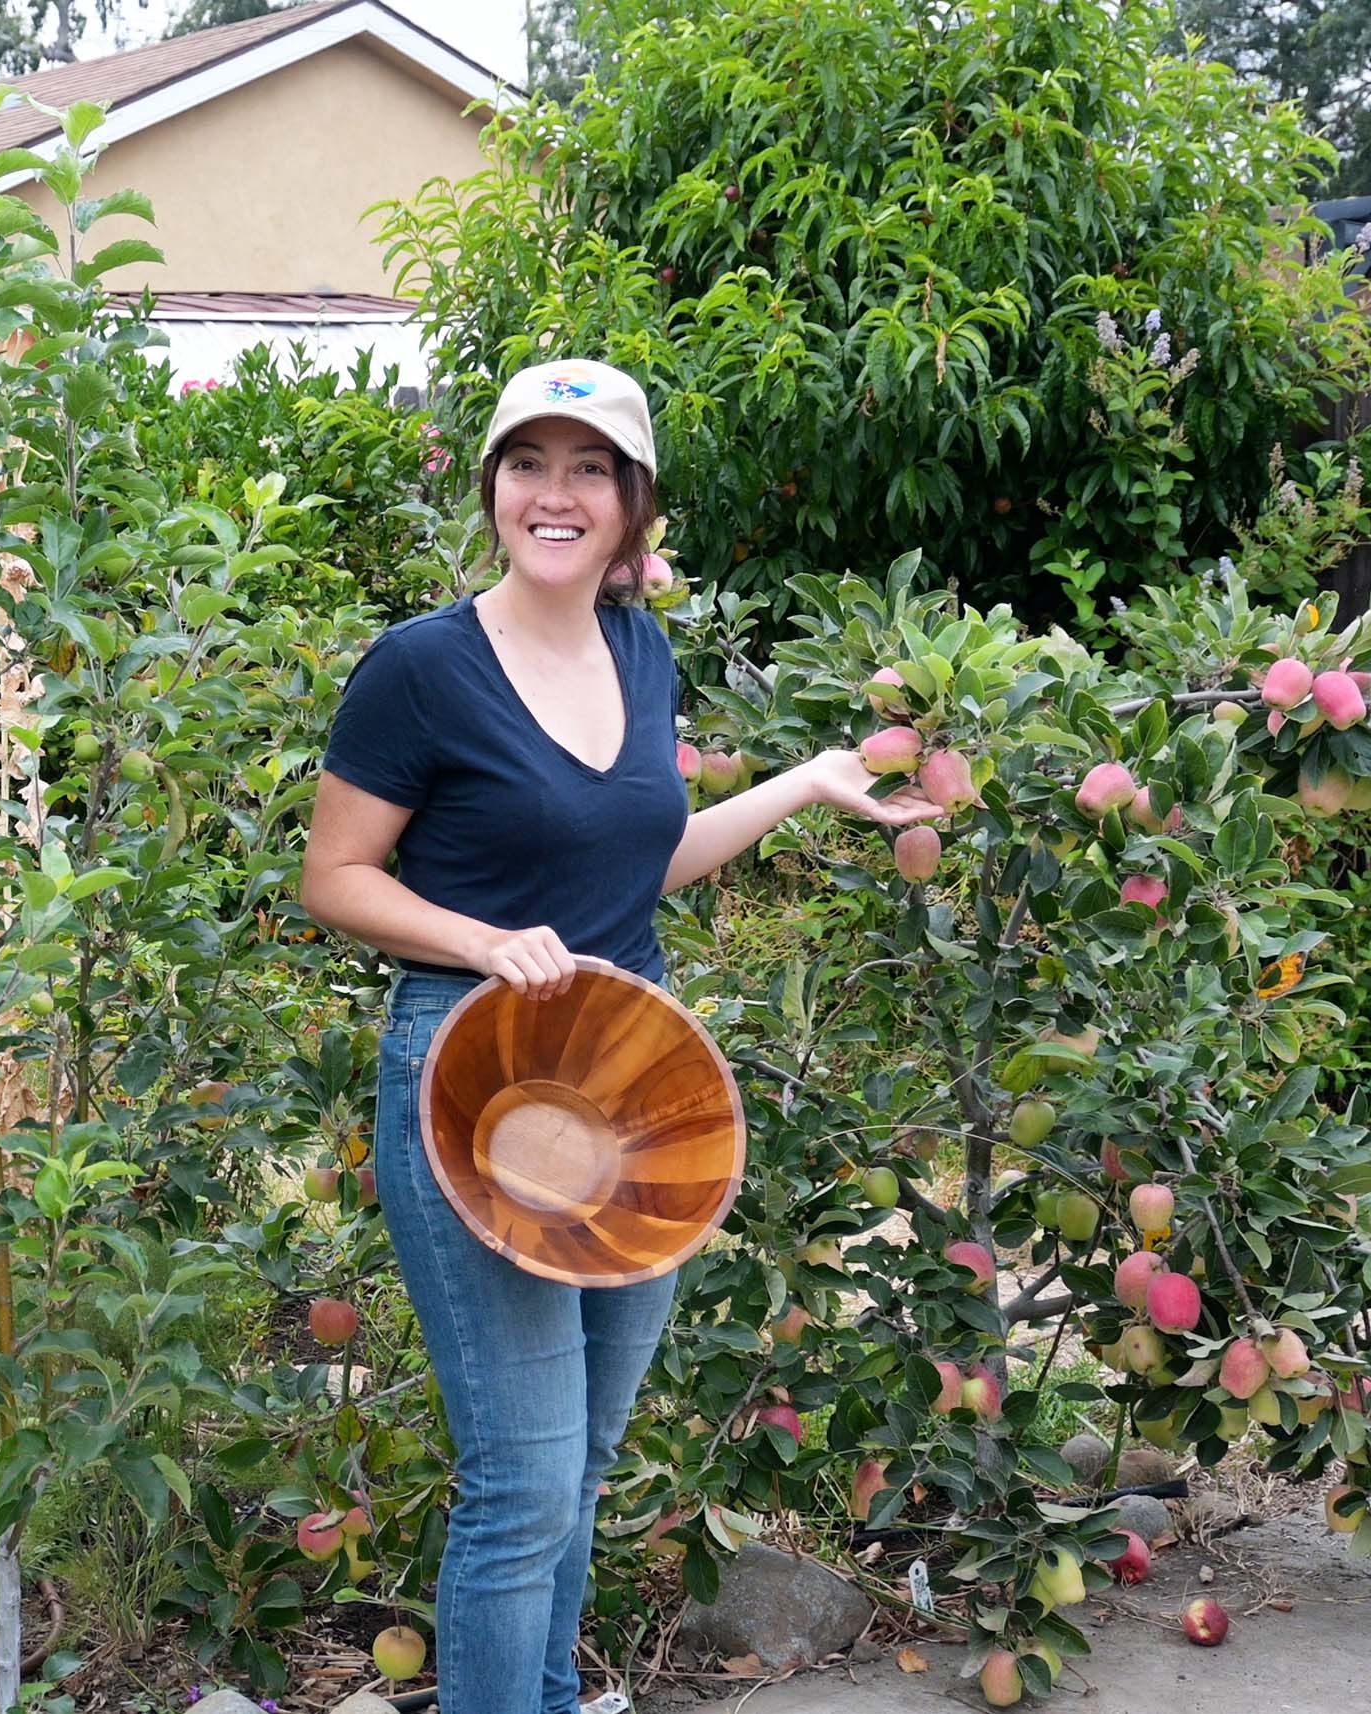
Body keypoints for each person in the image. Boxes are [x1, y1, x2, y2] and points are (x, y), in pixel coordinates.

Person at [298, 359, 942, 1713]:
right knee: (522, 1481)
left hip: (630, 1089)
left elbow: (635, 863)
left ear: (629, 501)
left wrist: (805, 783)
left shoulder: (641, 651)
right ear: (492, 489)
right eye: (527, 461)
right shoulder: (421, 668)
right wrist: (479, 941)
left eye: (589, 467)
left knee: (578, 1464)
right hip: (471, 1084)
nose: (556, 490)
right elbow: (335, 877)